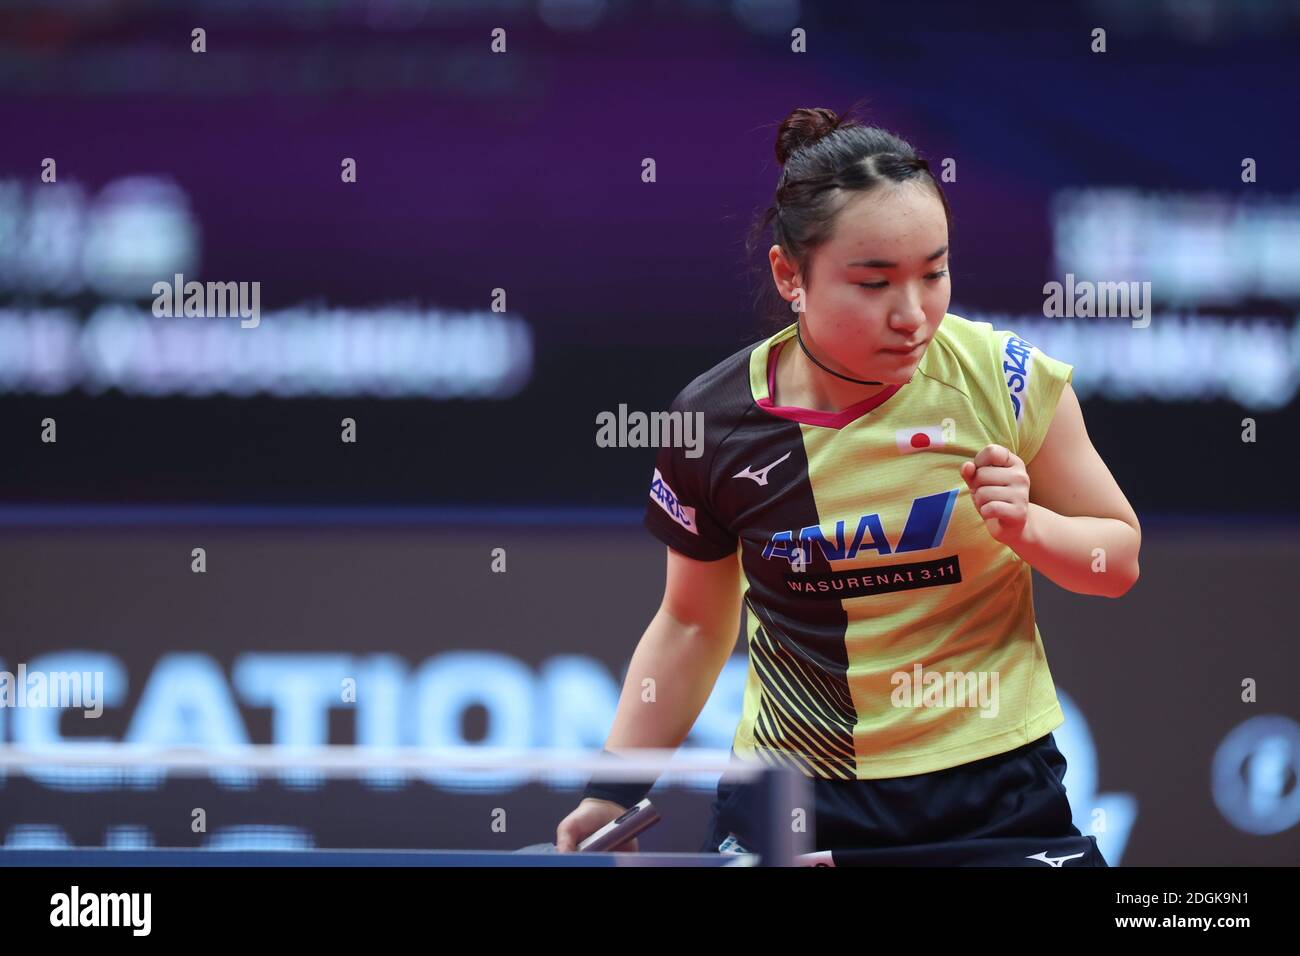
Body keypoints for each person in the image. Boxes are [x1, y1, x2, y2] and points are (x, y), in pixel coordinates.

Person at [555, 106, 1140, 865]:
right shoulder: (713, 422)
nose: (913, 314)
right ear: (789, 275)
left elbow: (1117, 560)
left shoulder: (1007, 380)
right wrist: (613, 791)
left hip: (994, 790)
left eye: (935, 273)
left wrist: (1031, 529)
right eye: (874, 283)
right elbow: (693, 625)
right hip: (799, 793)